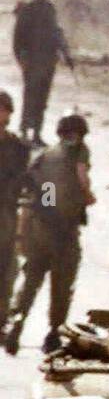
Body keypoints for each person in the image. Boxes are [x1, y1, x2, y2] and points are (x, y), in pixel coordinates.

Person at [3, 111, 94, 356]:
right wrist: (87, 197)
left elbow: (38, 190)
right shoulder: (78, 152)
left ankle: (18, 323)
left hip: (39, 230)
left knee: (31, 280)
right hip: (62, 232)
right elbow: (81, 176)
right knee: (62, 284)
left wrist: (28, 228)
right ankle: (53, 333)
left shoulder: (45, 154)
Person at [13, 0, 73, 146]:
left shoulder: (50, 8)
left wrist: (65, 53)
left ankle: (37, 134)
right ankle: (25, 132)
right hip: (33, 61)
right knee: (30, 97)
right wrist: (22, 59)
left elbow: (57, 34)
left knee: (42, 99)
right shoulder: (29, 9)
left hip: (48, 61)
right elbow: (19, 36)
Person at [0, 90, 30, 327]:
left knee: (7, 270)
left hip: (6, 217)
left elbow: (41, 181)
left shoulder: (19, 148)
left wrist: (49, 208)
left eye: (3, 109)